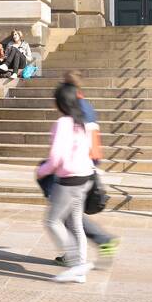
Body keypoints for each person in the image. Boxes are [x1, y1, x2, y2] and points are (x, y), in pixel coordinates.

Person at [36, 83, 97, 283]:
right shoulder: (82, 123)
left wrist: (40, 172)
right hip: (85, 178)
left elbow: (56, 159)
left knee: (52, 221)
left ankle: (76, 263)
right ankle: (80, 267)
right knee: (75, 223)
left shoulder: (62, 123)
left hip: (69, 181)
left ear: (60, 103)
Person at [54, 70, 118, 259]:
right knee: (70, 213)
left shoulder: (77, 105)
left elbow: (85, 138)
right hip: (85, 165)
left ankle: (100, 242)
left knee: (65, 213)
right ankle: (89, 247)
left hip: (78, 168)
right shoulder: (84, 104)